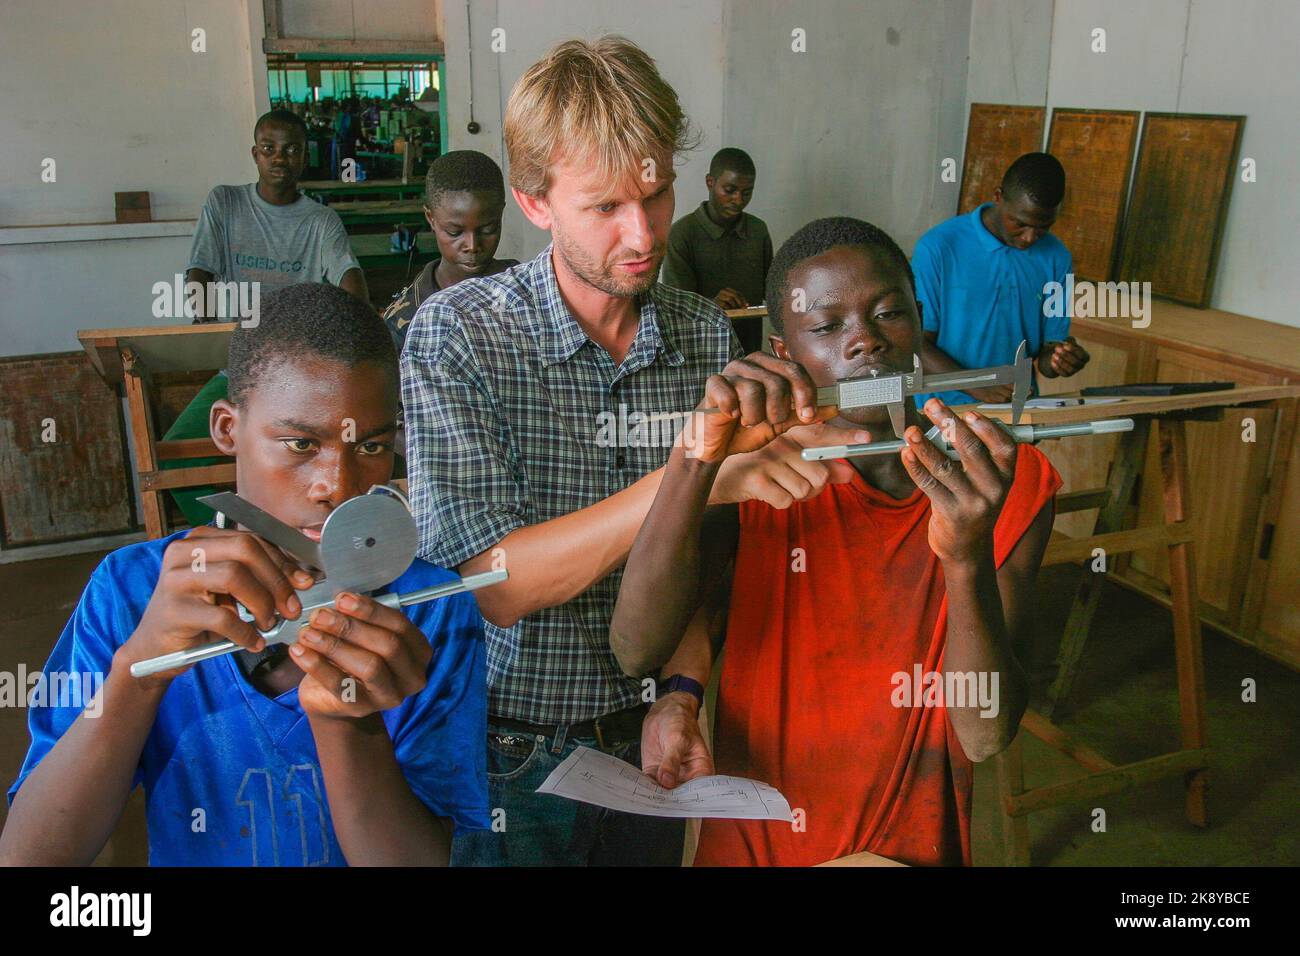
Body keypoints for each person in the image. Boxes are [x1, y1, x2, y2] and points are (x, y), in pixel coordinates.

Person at [401, 37, 865, 867]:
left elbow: (697, 559)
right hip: (516, 756)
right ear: (535, 202)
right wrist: (698, 472)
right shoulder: (460, 335)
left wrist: (683, 692)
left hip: (650, 745)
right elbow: (493, 586)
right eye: (605, 207)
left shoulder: (700, 335)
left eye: (656, 194)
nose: (643, 233)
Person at [611, 217, 1062, 867]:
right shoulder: (757, 470)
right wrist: (695, 462)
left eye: (889, 314)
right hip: (754, 843)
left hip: (901, 851)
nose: (866, 344)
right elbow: (634, 647)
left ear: (919, 322)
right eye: (827, 326)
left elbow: (985, 733)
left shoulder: (999, 479)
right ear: (782, 350)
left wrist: (964, 557)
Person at [0, 284, 488, 866]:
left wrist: (344, 724)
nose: (336, 484)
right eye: (301, 443)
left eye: (372, 445)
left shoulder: (432, 608)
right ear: (228, 429)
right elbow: (32, 856)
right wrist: (139, 672)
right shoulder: (132, 591)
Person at [163, 109, 371, 529]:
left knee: (314, 451)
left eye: (292, 150)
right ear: (255, 154)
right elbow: (199, 271)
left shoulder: (319, 220)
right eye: (270, 149)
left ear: (304, 157)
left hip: (302, 372)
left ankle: (302, 538)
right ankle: (250, 531)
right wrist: (205, 323)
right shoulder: (226, 203)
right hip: (247, 360)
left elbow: (350, 278)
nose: (280, 158)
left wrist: (353, 326)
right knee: (176, 450)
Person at [912, 152, 1090, 408]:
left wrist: (1061, 360)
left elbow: (1047, 358)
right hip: (940, 413)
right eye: (1020, 223)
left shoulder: (1056, 257)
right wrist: (976, 385)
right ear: (998, 197)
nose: (1030, 237)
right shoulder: (939, 247)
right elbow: (915, 345)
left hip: (1016, 410)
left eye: (1043, 227)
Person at [382, 150, 520, 354]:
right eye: (454, 232)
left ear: (500, 213)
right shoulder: (405, 321)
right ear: (431, 219)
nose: (472, 245)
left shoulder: (525, 288)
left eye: (488, 229)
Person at [662, 147, 773, 352]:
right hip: (699, 354)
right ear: (710, 183)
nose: (738, 200)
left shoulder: (758, 231)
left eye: (747, 192)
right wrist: (711, 305)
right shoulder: (682, 233)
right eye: (730, 190)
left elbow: (773, 291)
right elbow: (673, 309)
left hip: (749, 352)